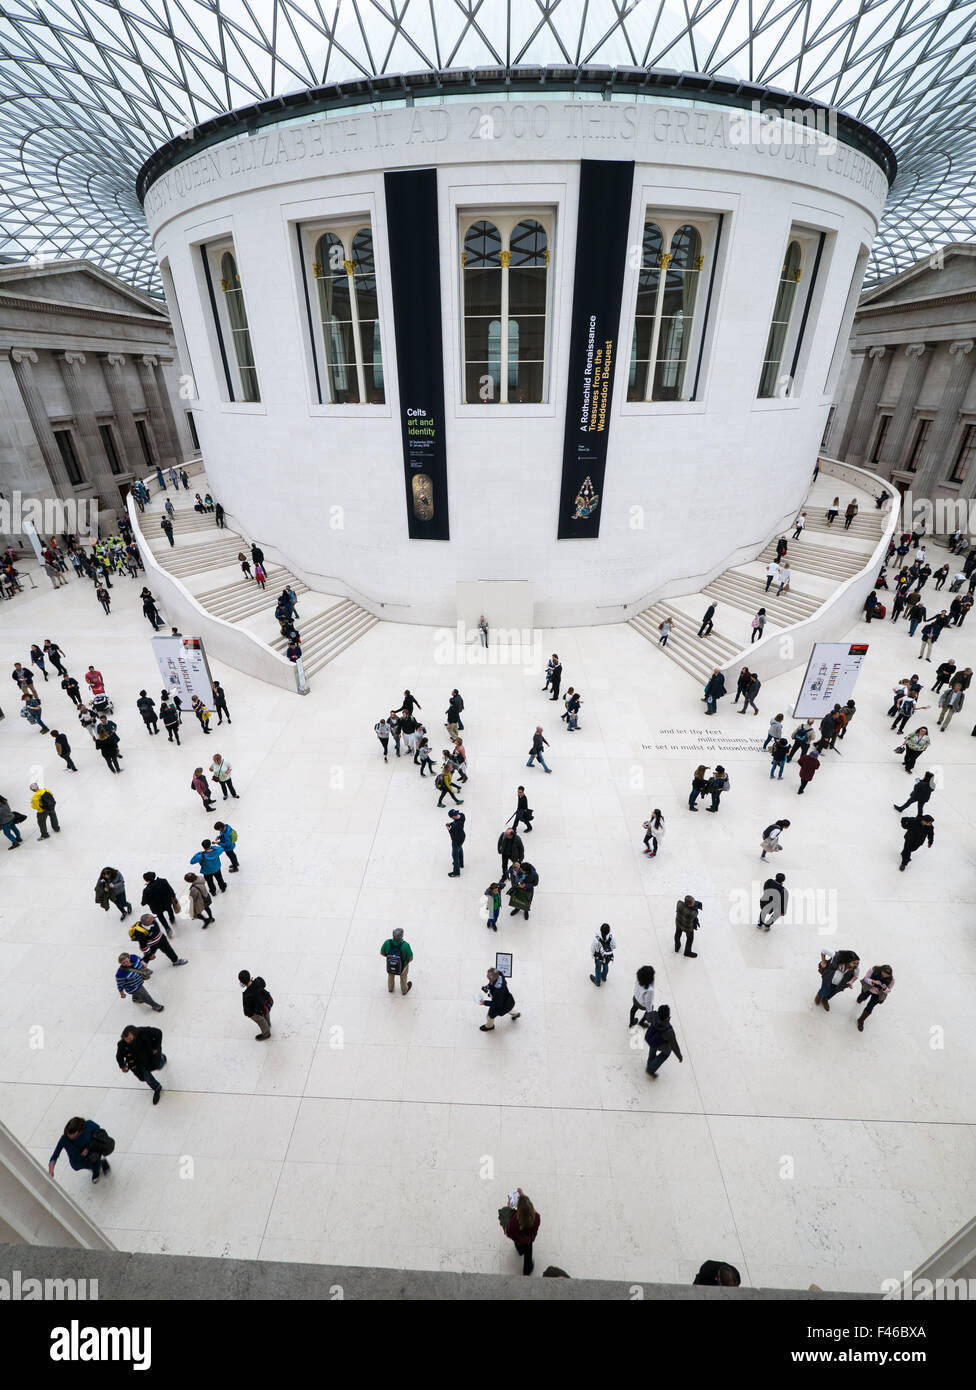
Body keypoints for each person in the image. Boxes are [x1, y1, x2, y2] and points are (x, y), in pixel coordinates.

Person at [48, 1117, 112, 1185]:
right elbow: (55, 1155)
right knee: (90, 1165)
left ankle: (98, 1168)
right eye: (67, 1134)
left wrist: (88, 1147)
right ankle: (99, 1165)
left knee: (94, 1161)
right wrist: (51, 1170)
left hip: (91, 1153)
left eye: (72, 1135)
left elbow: (100, 1134)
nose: (69, 1136)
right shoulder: (64, 1139)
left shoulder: (89, 1125)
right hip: (77, 1162)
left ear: (78, 1132)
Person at [116, 1024, 166, 1103]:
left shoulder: (143, 1032)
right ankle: (157, 1088)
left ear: (133, 1033)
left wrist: (155, 1047)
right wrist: (122, 1066)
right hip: (139, 1064)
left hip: (150, 1057)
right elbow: (119, 1056)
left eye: (129, 1038)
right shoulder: (122, 1044)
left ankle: (162, 1058)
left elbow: (158, 1033)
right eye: (126, 1039)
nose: (128, 1041)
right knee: (147, 1078)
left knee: (159, 1064)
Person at [502, 1190, 540, 1275]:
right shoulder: (537, 1218)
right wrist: (523, 1196)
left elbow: (508, 1233)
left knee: (519, 1246)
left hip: (518, 1239)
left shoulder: (513, 1223)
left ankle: (520, 1251)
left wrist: (509, 1209)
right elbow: (532, 1211)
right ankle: (527, 1270)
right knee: (528, 1254)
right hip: (529, 1239)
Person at [644, 1004, 683, 1078]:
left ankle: (650, 1062)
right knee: (667, 1052)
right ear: (667, 1017)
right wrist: (679, 1056)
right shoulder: (669, 1030)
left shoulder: (654, 1014)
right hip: (659, 1044)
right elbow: (674, 1045)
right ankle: (650, 1068)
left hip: (650, 1037)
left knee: (653, 1046)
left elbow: (647, 1017)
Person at [855, 964, 894, 1031]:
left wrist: (885, 988)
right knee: (863, 997)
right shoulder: (873, 970)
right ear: (881, 970)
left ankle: (861, 1020)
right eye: (883, 973)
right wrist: (872, 981)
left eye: (887, 975)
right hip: (868, 988)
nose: (884, 976)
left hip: (878, 994)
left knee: (870, 1007)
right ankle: (860, 998)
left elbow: (889, 989)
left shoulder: (891, 980)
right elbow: (866, 978)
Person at [238, 970, 273, 1040]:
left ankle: (266, 1033)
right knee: (266, 1013)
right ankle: (268, 1024)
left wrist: (249, 1015)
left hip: (258, 1010)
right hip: (266, 1004)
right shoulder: (258, 981)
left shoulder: (247, 995)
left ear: (242, 982)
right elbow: (264, 984)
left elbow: (247, 1011)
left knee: (260, 1020)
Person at [380, 928, 413, 995]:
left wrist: (390, 957)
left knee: (390, 976)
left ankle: (390, 989)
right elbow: (411, 958)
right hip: (403, 966)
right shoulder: (406, 945)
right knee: (403, 978)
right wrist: (405, 962)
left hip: (391, 965)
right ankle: (404, 990)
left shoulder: (387, 942)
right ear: (402, 936)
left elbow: (382, 953)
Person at [446, 808, 466, 877]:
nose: (457, 815)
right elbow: (456, 821)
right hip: (462, 837)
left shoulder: (456, 827)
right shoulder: (462, 816)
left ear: (452, 817)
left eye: (456, 814)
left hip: (456, 840)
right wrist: (451, 823)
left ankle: (456, 872)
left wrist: (449, 829)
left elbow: (452, 832)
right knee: (459, 848)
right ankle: (461, 863)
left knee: (454, 854)